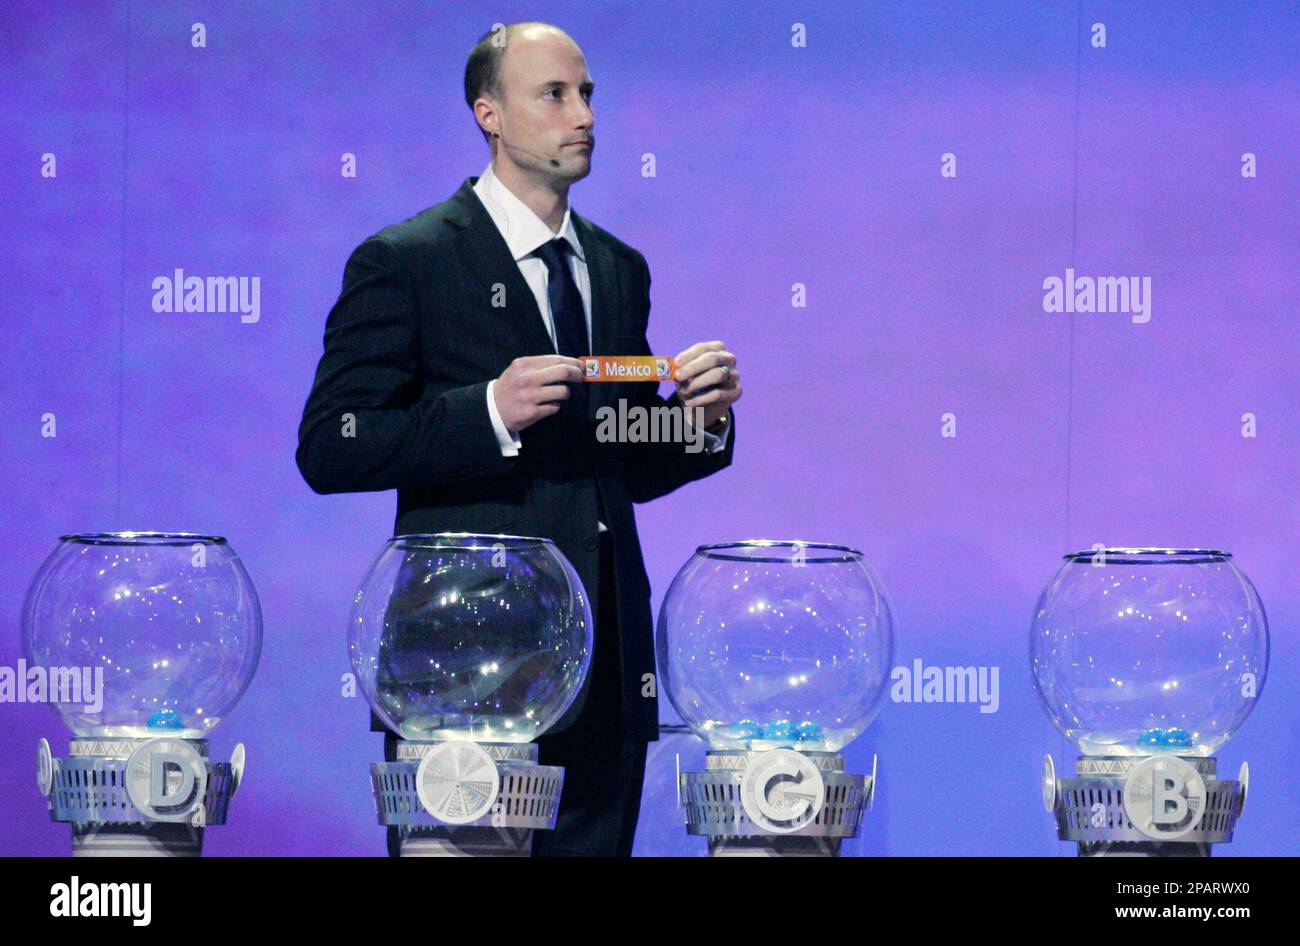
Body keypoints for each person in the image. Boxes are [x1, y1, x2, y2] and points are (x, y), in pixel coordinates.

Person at [295, 21, 742, 856]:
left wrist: (698, 422)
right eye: (555, 95)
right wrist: (487, 412)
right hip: (465, 671)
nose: (584, 117)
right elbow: (332, 445)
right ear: (488, 113)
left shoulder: (615, 266)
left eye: (588, 95)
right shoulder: (407, 259)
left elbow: (620, 453)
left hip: (605, 663)